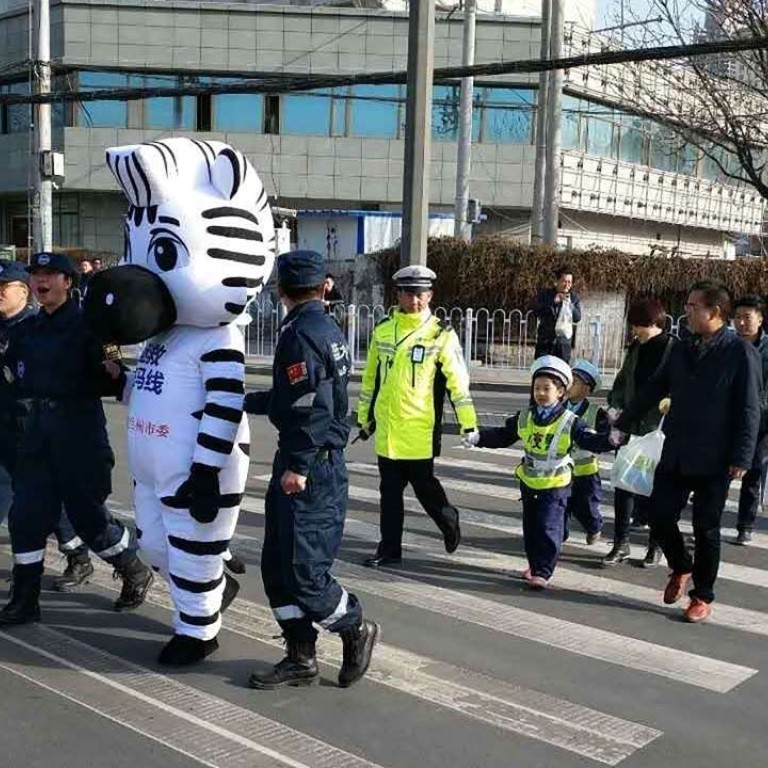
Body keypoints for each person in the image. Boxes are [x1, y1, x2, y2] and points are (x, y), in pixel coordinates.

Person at [245, 250, 379, 689]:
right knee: (277, 567)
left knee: (304, 574)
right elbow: (297, 396)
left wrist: (299, 465)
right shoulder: (323, 327)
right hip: (305, 457)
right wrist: (247, 400)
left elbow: (310, 406)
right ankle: (300, 656)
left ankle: (354, 625)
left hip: (311, 466)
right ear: (324, 287)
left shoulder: (302, 334)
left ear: (280, 290)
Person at [0, 252, 153, 626]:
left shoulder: (91, 326)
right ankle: (25, 598)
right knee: (25, 518)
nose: (42, 281)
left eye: (50, 274)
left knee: (89, 519)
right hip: (36, 437)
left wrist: (113, 370)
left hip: (78, 436)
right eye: (37, 274)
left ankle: (133, 568)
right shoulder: (27, 330)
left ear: (68, 282)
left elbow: (114, 369)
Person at [615, 280, 761, 623]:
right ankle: (681, 565)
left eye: (694, 306)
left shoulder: (740, 353)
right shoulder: (682, 349)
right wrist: (623, 421)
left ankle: (702, 595)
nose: (687, 312)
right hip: (677, 449)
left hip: (715, 457)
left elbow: (749, 408)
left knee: (706, 528)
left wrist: (742, 456)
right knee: (658, 514)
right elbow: (655, 388)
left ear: (715, 312)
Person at [356, 265, 478, 568]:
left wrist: (468, 423)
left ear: (430, 296)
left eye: (420, 294)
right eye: (408, 294)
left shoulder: (440, 334)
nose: (414, 301)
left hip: (419, 429)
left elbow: (458, 383)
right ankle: (389, 550)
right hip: (387, 429)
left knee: (425, 487)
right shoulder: (383, 329)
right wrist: (364, 417)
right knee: (389, 494)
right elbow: (371, 378)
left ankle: (448, 519)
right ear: (398, 295)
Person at [465, 356, 616, 588]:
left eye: (547, 388)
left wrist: (612, 440)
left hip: (556, 486)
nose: (541, 393)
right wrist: (478, 438)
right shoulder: (525, 416)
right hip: (529, 484)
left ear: (561, 392)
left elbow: (590, 441)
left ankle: (543, 572)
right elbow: (503, 436)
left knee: (549, 527)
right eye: (537, 388)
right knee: (532, 529)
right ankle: (535, 566)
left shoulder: (571, 421)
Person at [0, 261, 95, 592]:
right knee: (27, 505)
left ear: (21, 291)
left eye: (3, 288)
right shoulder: (15, 327)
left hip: (33, 431)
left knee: (45, 502)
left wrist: (113, 368)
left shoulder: (40, 326)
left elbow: (106, 351)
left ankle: (81, 554)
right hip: (7, 428)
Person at [603, 298, 676, 568]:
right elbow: (622, 382)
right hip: (630, 426)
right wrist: (615, 406)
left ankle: (655, 545)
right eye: (633, 325)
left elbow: (682, 387)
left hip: (659, 431)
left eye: (638, 325)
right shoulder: (635, 348)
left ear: (655, 323)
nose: (634, 331)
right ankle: (620, 543)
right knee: (624, 486)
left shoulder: (674, 350)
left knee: (656, 492)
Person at [732, 294, 768, 544]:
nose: (741, 323)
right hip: (729, 421)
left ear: (760, 319)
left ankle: (745, 525)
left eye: (747, 317)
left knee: (753, 474)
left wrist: (754, 411)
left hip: (761, 423)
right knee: (720, 473)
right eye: (737, 317)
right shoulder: (729, 345)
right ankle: (709, 522)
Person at [563, 359, 607, 545]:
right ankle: (558, 536)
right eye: (569, 380)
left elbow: (605, 439)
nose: (569, 385)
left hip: (585, 474)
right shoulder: (557, 407)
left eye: (575, 381)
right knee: (560, 508)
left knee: (586, 508)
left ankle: (594, 527)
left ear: (587, 389)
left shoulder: (597, 413)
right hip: (560, 472)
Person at [534, 266, 582, 363]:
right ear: (557, 281)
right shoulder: (545, 295)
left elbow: (577, 318)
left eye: (569, 282)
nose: (567, 285)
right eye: (564, 281)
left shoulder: (574, 297)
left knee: (562, 371)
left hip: (563, 344)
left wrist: (570, 306)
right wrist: (553, 302)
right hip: (545, 342)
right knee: (542, 369)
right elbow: (537, 312)